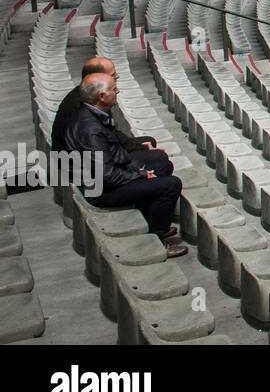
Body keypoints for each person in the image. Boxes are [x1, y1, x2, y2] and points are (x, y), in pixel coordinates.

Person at [60, 73, 186, 257]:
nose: (117, 90)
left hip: (106, 178)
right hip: (100, 190)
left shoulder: (94, 114)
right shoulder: (90, 129)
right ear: (101, 97)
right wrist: (140, 175)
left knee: (162, 166)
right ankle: (156, 240)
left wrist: (138, 169)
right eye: (113, 89)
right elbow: (107, 175)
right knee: (171, 184)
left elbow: (116, 153)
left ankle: (151, 220)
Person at [52, 58, 172, 176]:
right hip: (87, 167)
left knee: (149, 141)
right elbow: (101, 156)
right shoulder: (83, 108)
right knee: (160, 158)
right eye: (113, 75)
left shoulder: (87, 98)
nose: (117, 76)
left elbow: (110, 132)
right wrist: (138, 170)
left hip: (93, 154)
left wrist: (139, 147)